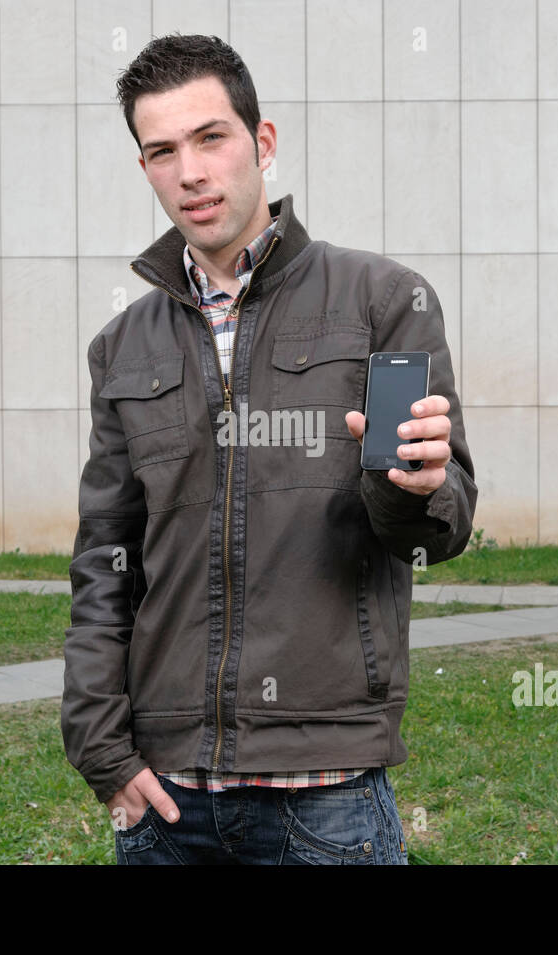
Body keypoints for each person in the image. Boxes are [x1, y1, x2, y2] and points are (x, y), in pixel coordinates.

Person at [60, 32, 477, 864]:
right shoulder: (123, 346)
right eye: (161, 151)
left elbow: (439, 530)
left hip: (326, 794)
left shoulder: (382, 301)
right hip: (166, 802)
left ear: (264, 141)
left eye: (211, 137)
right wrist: (105, 756)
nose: (190, 171)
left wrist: (413, 486)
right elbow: (105, 562)